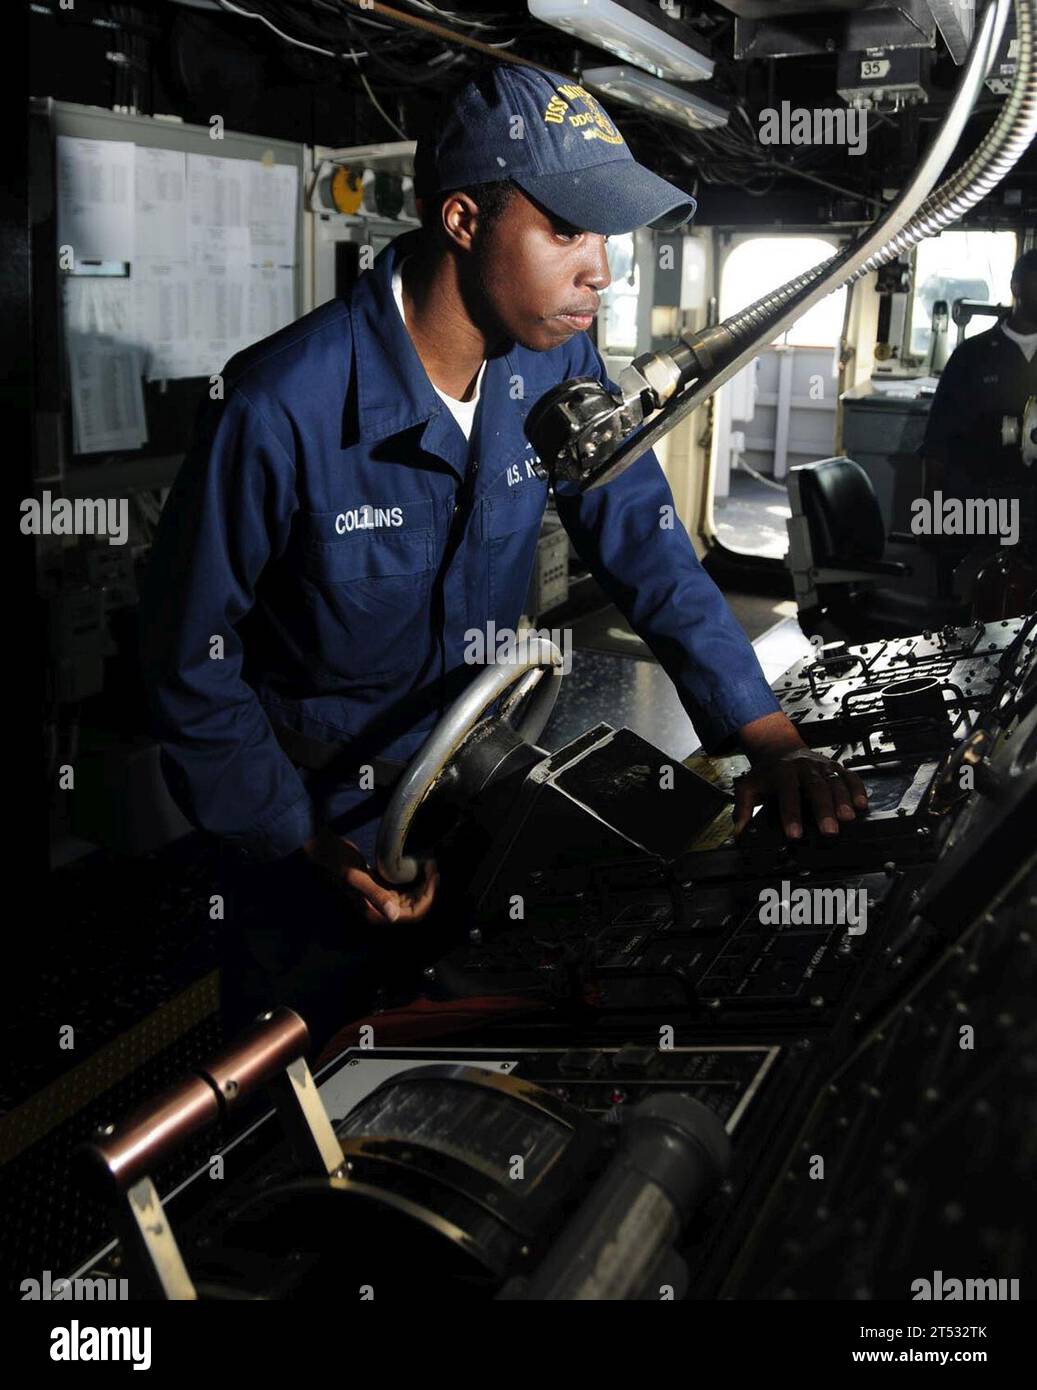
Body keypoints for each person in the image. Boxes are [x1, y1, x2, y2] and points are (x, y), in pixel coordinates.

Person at [138, 64, 867, 1056]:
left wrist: (768, 739)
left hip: (474, 797)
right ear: (462, 222)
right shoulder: (278, 407)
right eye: (566, 233)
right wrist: (299, 841)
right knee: (295, 1097)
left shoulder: (554, 361)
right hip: (318, 832)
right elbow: (187, 659)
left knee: (460, 1054)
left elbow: (643, 544)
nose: (599, 272)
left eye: (602, 238)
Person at [920, 247, 1037, 593]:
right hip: (981, 504)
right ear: (1016, 288)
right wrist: (932, 515)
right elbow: (937, 444)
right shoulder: (971, 357)